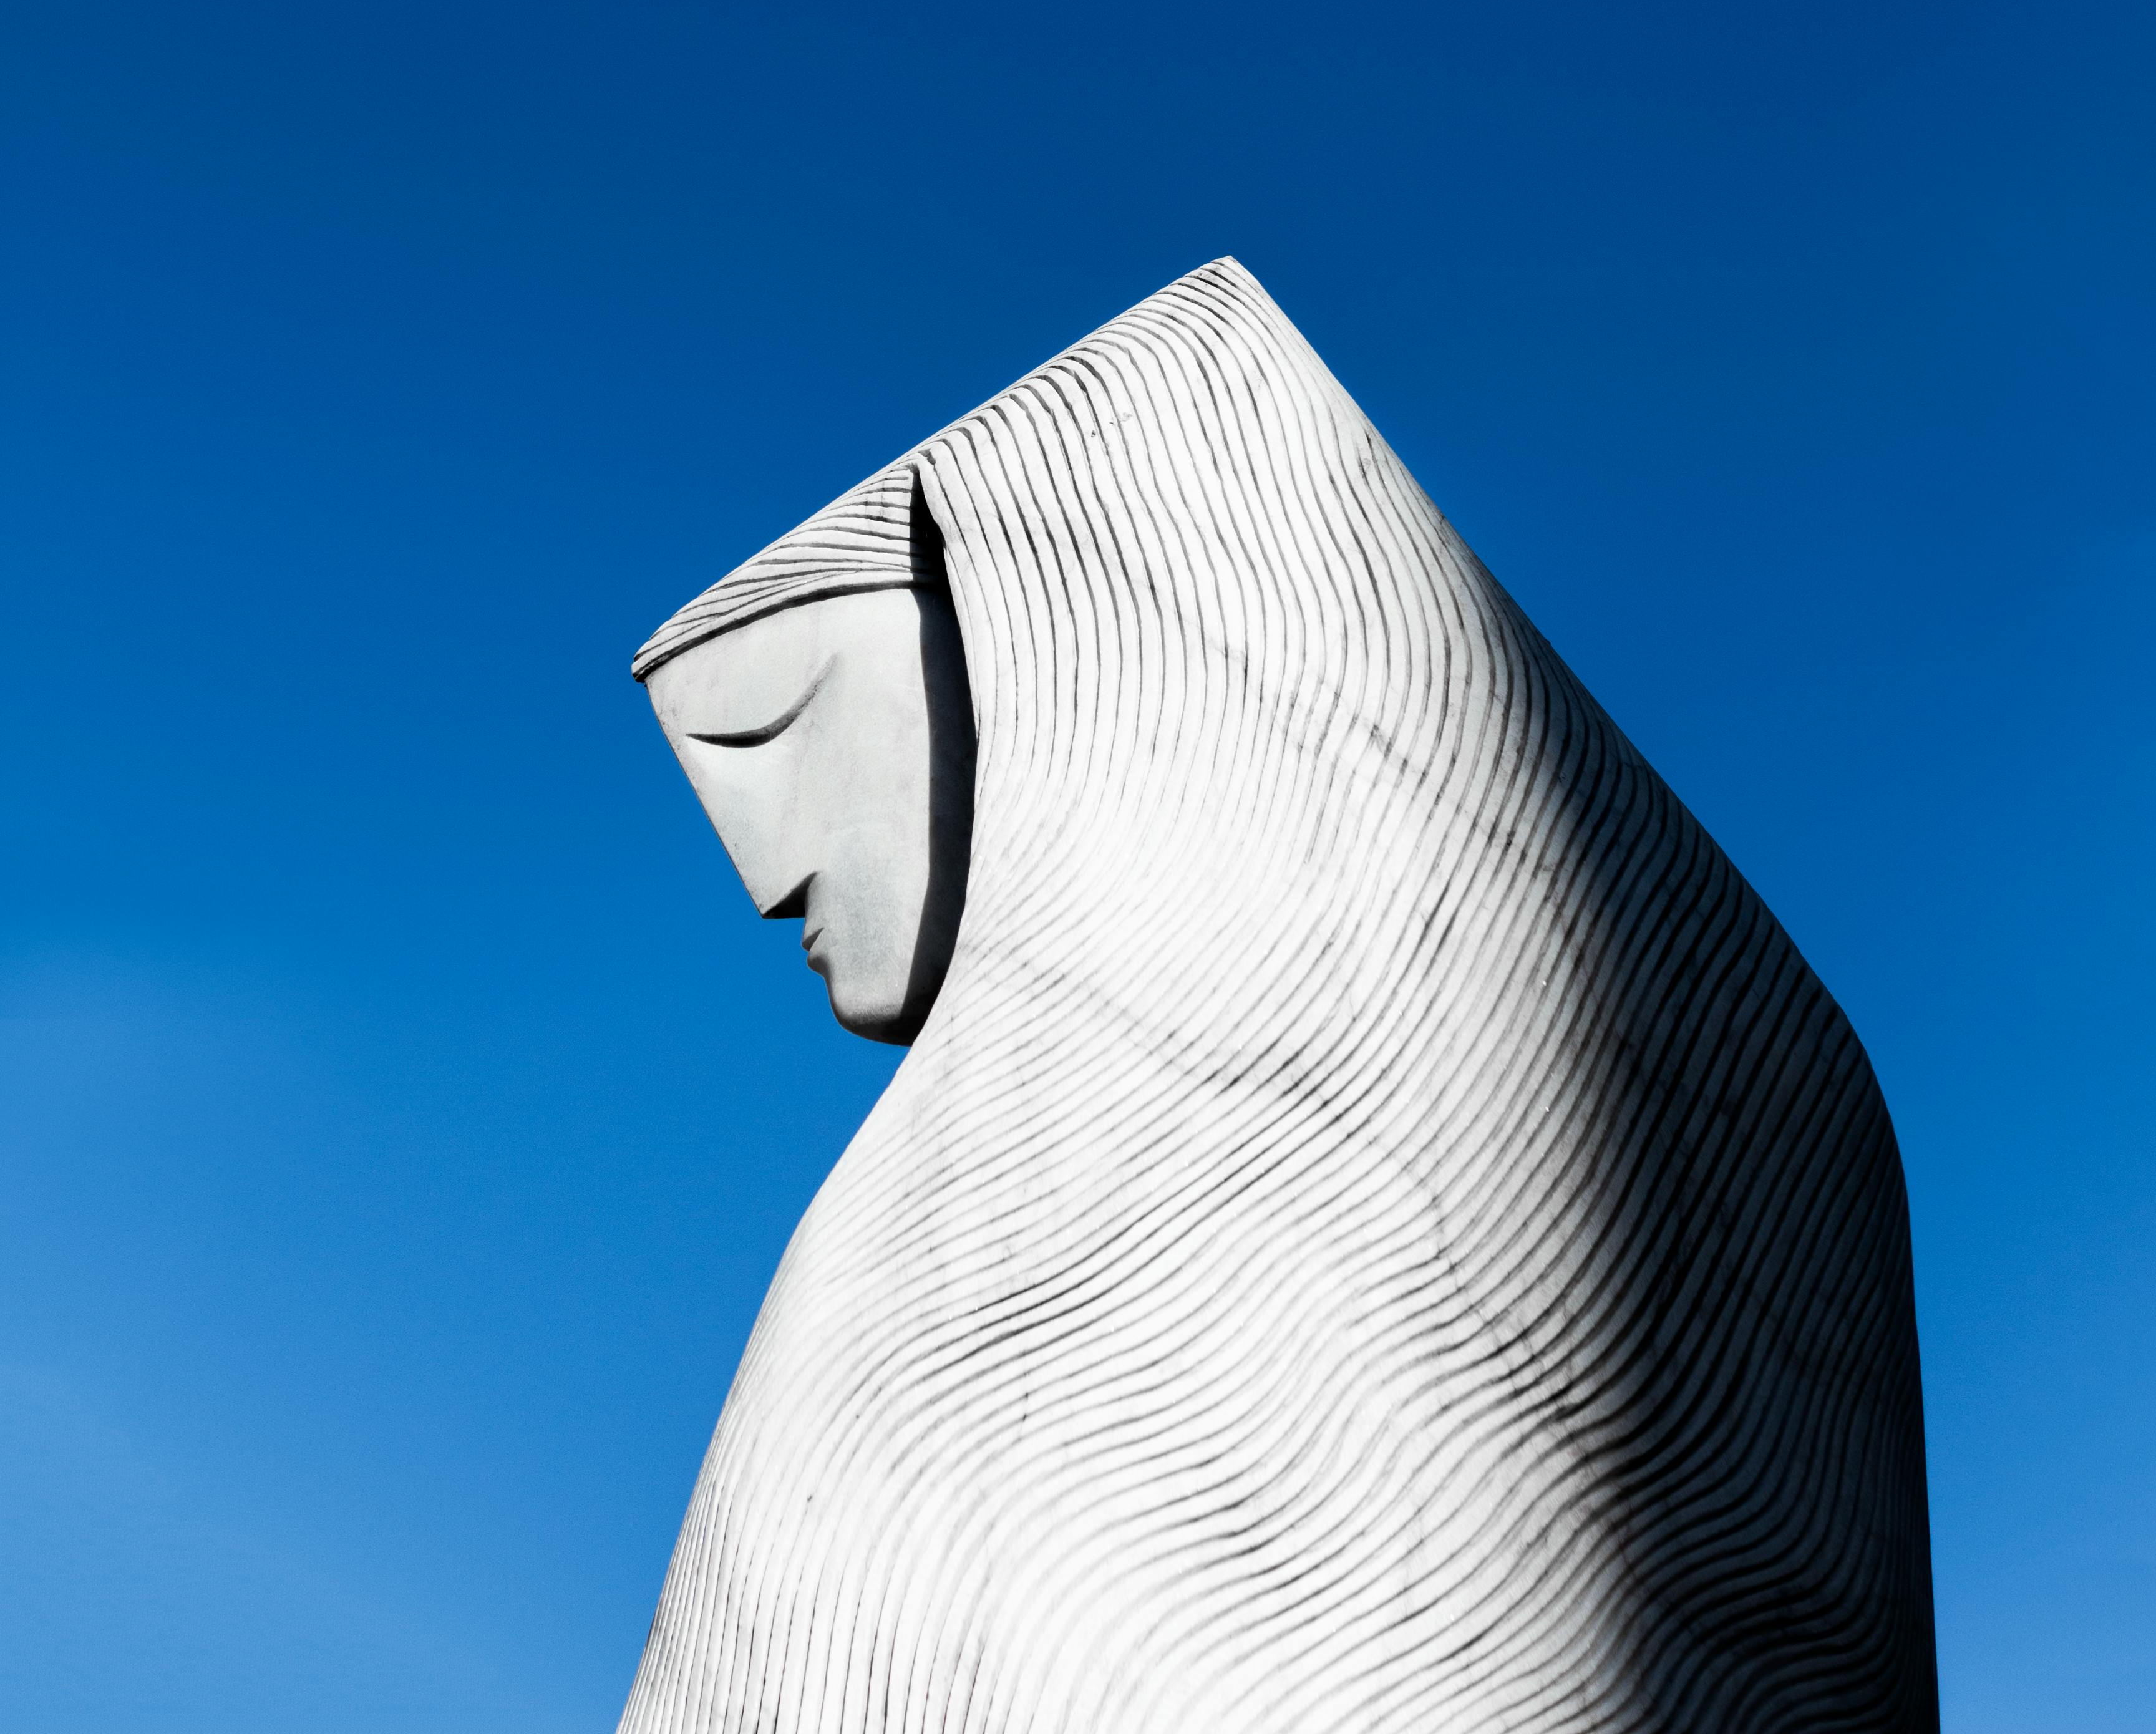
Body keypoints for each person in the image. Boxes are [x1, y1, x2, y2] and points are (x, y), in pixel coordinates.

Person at [621, 257, 1937, 1734]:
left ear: (1044, 618)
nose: (766, 880)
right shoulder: (1817, 1104)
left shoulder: (983, 1226)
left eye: (764, 727)